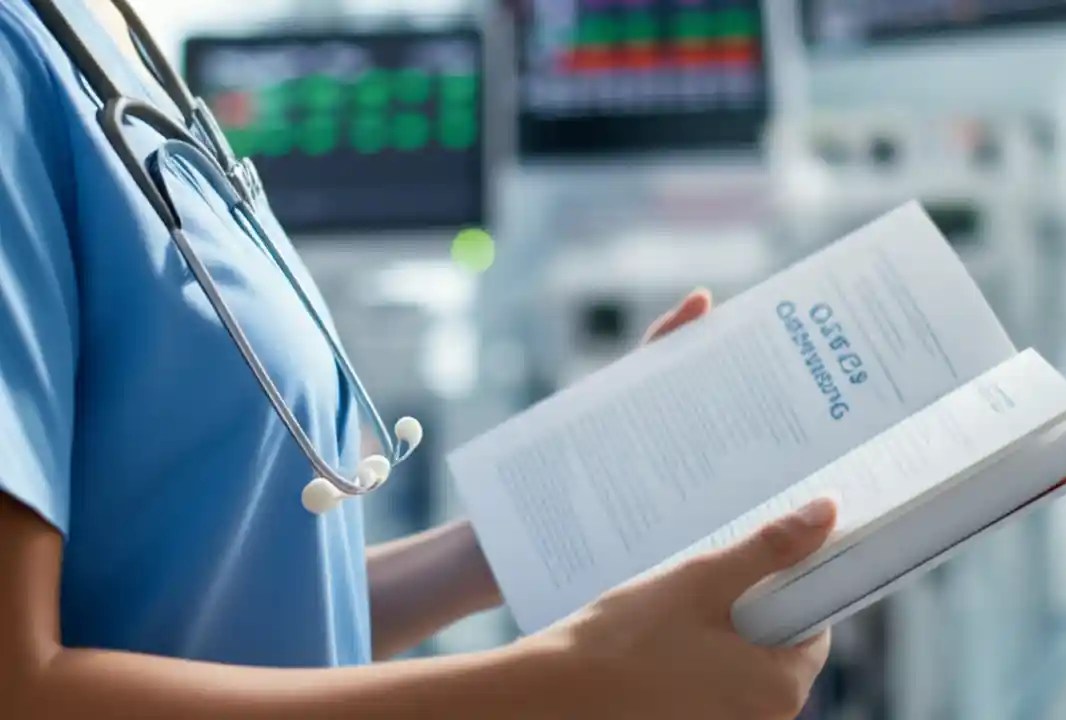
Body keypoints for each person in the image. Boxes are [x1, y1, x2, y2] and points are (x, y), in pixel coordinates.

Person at [0, 1, 840, 718]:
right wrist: (580, 678)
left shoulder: (115, 46)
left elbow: (252, 614)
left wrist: (572, 502)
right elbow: (19, 688)